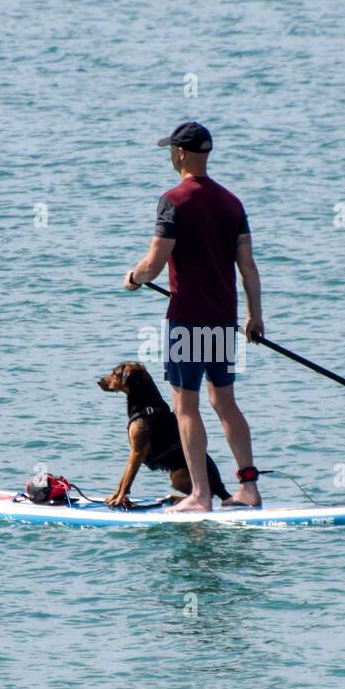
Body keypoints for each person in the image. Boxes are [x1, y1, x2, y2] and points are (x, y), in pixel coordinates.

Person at [124, 121, 264, 510]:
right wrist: (256, 317)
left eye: (172, 150)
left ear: (181, 154)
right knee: (225, 401)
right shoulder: (232, 203)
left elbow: (154, 263)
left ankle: (200, 495)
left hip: (187, 321)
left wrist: (134, 278)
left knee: (186, 406)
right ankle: (249, 489)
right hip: (224, 320)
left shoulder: (174, 200)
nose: (171, 155)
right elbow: (248, 267)